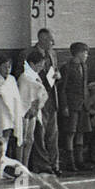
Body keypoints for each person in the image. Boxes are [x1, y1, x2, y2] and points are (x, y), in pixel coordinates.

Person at [27, 28, 62, 175]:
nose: (52, 42)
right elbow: (24, 77)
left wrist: (57, 75)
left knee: (53, 134)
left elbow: (54, 70)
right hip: (37, 98)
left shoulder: (52, 54)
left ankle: (54, 164)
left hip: (51, 98)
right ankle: (42, 165)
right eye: (49, 40)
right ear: (41, 40)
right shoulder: (28, 54)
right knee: (39, 134)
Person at [60, 41, 95, 173]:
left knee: (81, 132)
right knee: (71, 132)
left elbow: (84, 86)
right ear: (78, 53)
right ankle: (70, 162)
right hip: (72, 104)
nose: (87, 55)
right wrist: (64, 106)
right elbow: (62, 89)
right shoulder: (67, 68)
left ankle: (80, 161)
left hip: (83, 104)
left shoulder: (84, 66)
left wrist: (87, 102)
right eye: (85, 52)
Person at [18, 49, 49, 172]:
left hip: (34, 111)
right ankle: (19, 166)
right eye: (39, 65)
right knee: (22, 139)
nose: (41, 68)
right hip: (25, 111)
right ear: (31, 64)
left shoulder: (36, 77)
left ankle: (25, 165)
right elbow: (23, 95)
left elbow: (43, 93)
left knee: (30, 139)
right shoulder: (24, 77)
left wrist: (37, 107)